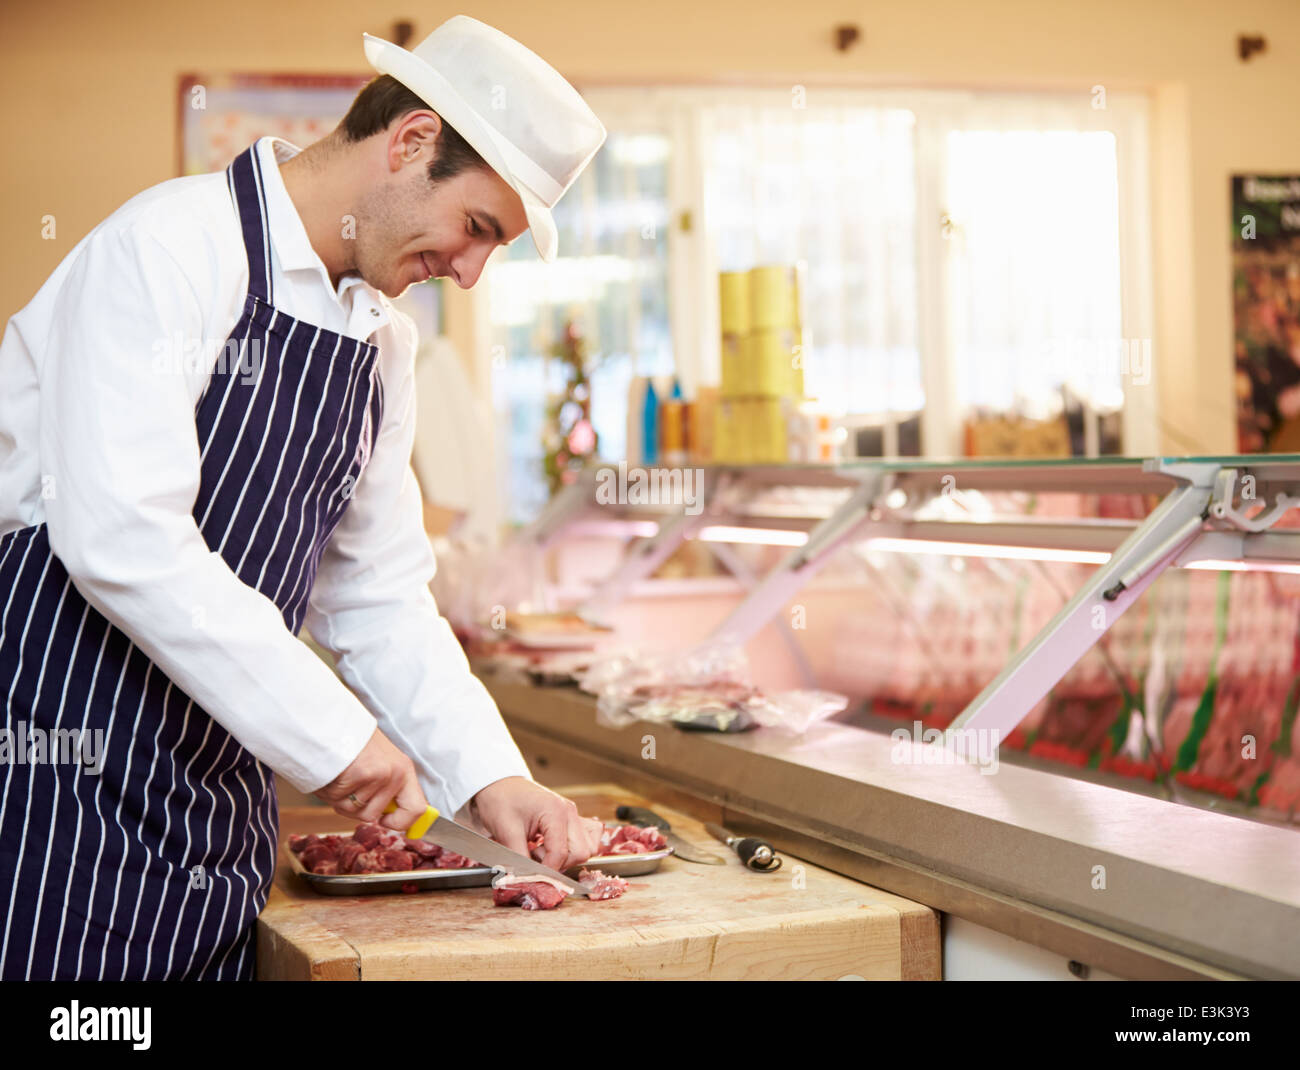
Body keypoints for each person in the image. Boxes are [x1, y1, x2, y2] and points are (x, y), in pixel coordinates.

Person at [0, 15, 607, 980]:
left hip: (216, 806)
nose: (469, 272)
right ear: (411, 143)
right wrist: (332, 736)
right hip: (61, 780)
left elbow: (377, 597)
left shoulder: (382, 346)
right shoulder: (166, 249)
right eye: (479, 228)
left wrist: (494, 776)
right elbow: (120, 538)